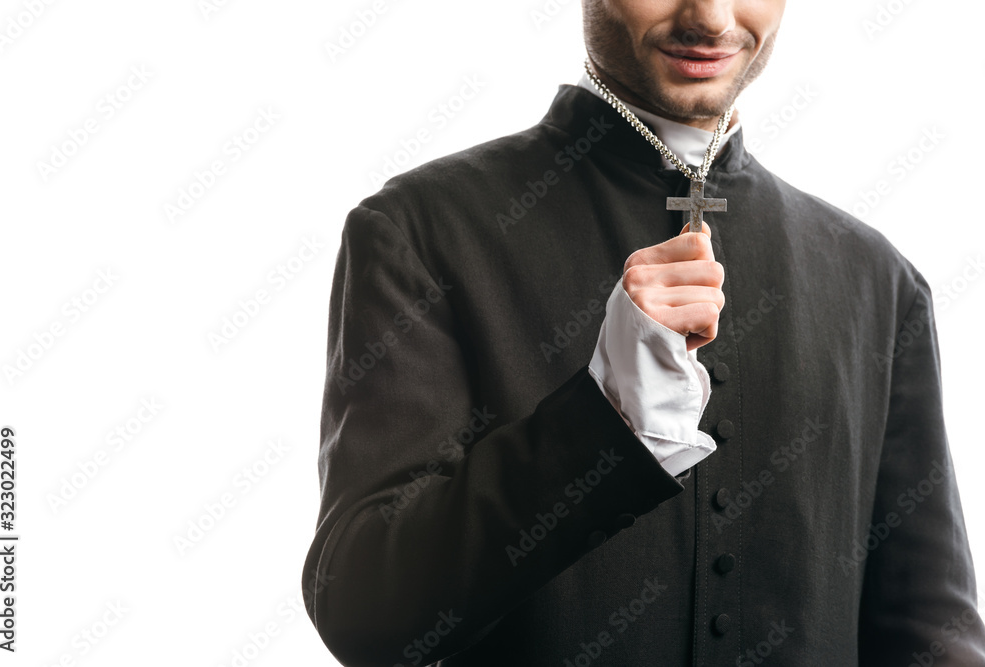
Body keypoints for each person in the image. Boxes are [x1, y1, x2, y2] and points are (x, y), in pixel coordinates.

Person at [302, 1, 985, 664]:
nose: (711, 19)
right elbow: (364, 614)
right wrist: (603, 417)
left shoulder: (880, 280)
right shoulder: (422, 230)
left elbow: (932, 635)